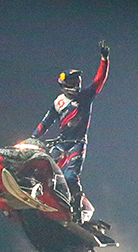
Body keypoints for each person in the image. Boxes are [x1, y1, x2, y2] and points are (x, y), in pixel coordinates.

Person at [32, 41, 110, 221]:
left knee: (70, 176)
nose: (76, 84)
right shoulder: (59, 101)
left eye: (78, 81)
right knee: (42, 167)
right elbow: (46, 122)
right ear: (64, 83)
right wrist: (33, 138)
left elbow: (99, 80)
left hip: (78, 143)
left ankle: (76, 209)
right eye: (72, 81)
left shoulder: (85, 96)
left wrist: (104, 60)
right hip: (61, 143)